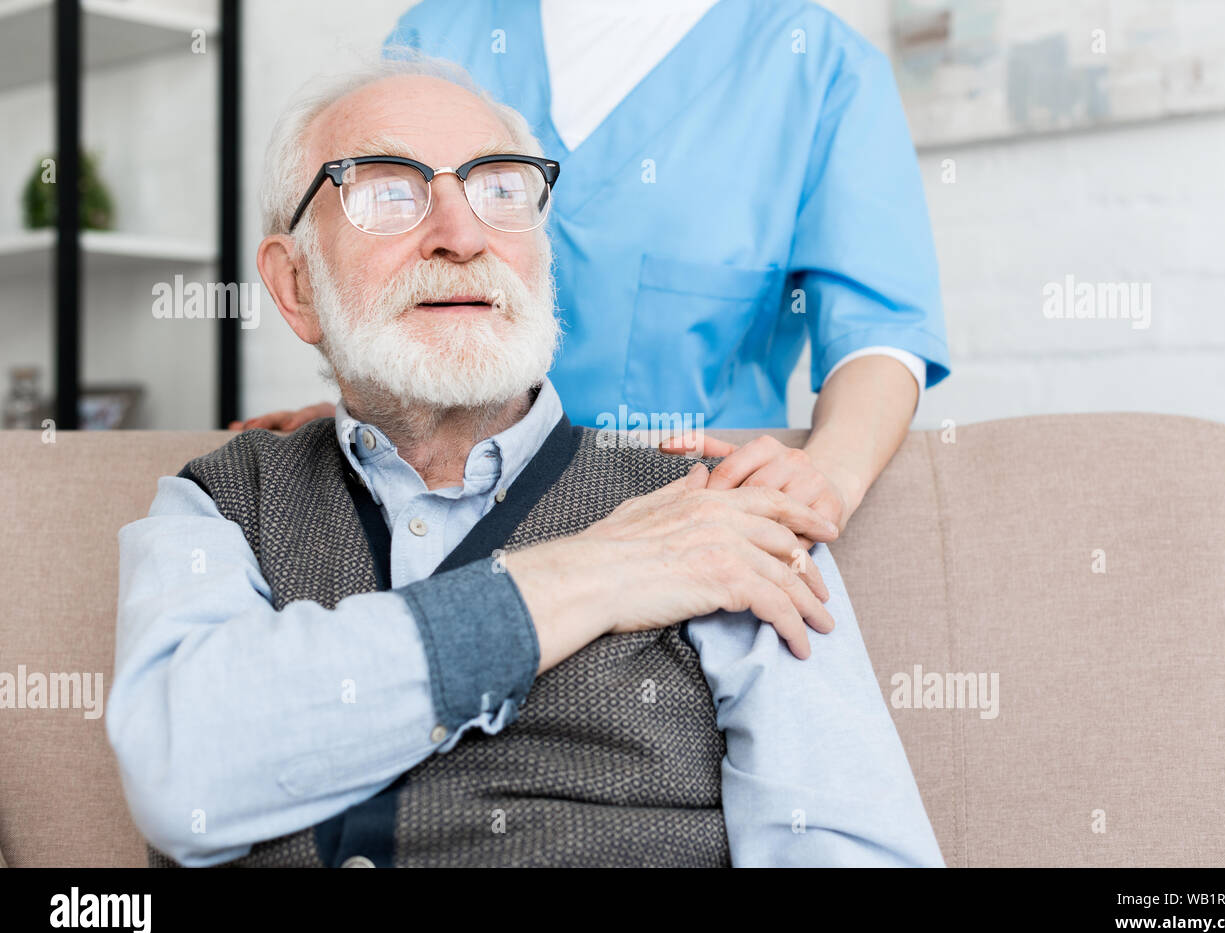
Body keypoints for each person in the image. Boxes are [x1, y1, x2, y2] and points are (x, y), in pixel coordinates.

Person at [107, 55, 944, 867]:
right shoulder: (218, 504)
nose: (461, 234)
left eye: (500, 188)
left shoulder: (718, 519)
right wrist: (599, 572)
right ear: (295, 286)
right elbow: (183, 776)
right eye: (389, 192)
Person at [230, 0, 950, 543]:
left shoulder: (811, 60)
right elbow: (386, 265)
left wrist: (831, 472)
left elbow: (879, 330)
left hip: (688, 514)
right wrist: (375, 415)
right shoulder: (441, 30)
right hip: (451, 510)